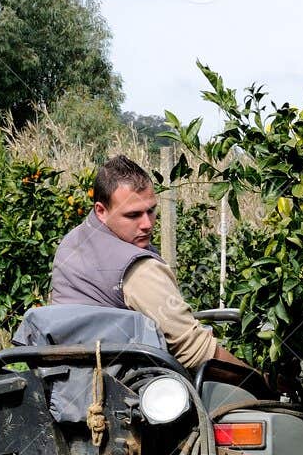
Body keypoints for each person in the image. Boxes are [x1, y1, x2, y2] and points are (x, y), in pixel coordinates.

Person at [50, 156, 254, 380]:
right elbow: (196, 352)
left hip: (66, 383)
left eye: (151, 211)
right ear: (101, 210)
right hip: (125, 394)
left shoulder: (72, 242)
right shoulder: (137, 268)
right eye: (133, 215)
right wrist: (259, 382)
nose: (147, 224)